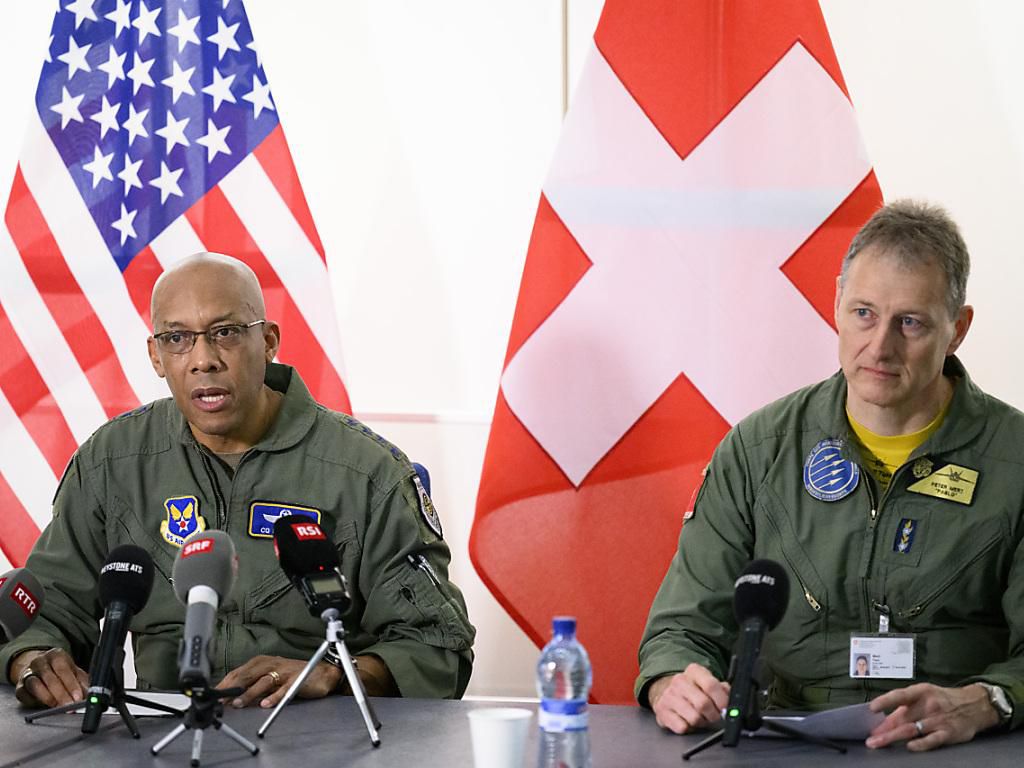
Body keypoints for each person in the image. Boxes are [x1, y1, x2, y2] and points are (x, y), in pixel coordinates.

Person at [2, 252, 475, 710]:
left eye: (225, 333)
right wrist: (31, 659)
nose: (202, 359)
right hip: (155, 733)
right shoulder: (113, 462)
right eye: (177, 338)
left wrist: (333, 671)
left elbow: (437, 646)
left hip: (315, 732)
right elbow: (46, 606)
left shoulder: (367, 473)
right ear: (156, 355)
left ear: (268, 341)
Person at [636, 200, 1024, 752]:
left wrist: (990, 699)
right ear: (837, 301)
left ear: (958, 329)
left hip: (955, 746)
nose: (880, 347)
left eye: (910, 322)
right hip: (784, 744)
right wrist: (672, 681)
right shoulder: (758, 451)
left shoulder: (1015, 462)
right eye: (864, 312)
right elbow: (682, 628)